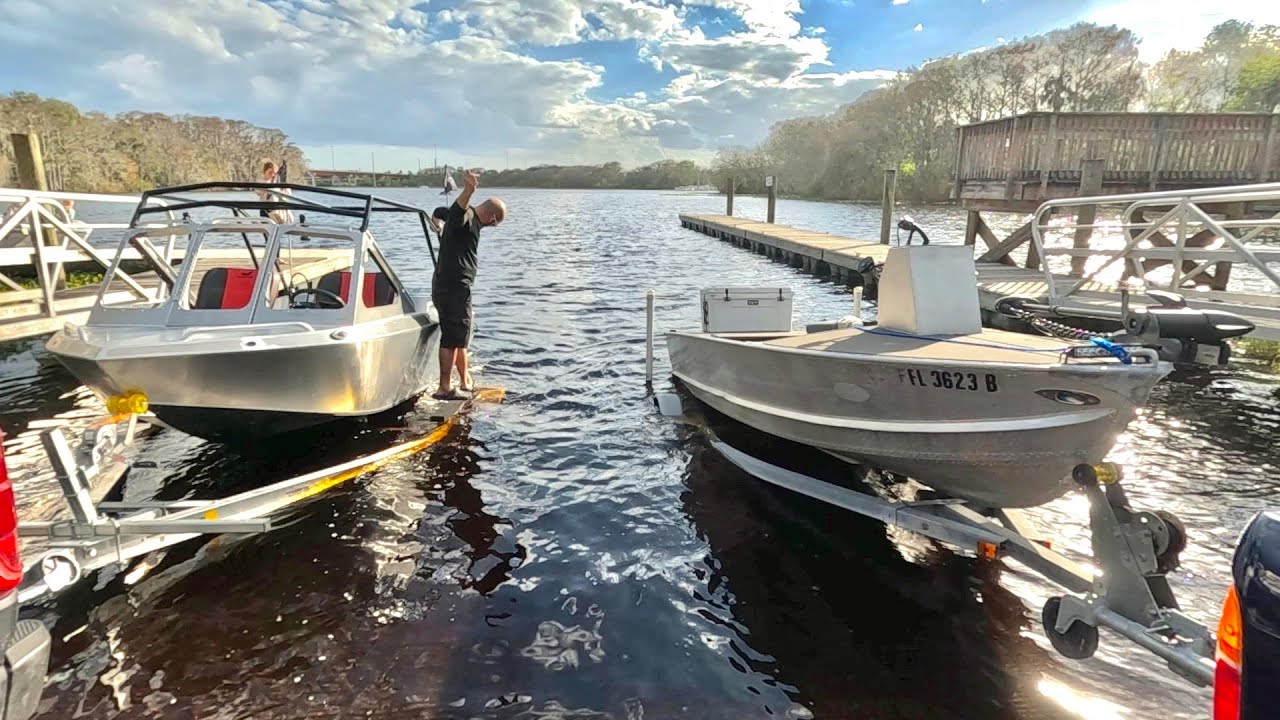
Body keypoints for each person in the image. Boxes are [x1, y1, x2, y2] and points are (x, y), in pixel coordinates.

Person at [431, 170, 507, 400]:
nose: (495, 226)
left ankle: (464, 381)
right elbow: (457, 212)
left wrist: (435, 221)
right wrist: (468, 191)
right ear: (493, 219)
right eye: (497, 222)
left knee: (461, 335)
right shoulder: (466, 219)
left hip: (454, 287)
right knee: (451, 338)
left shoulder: (466, 220)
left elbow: (441, 212)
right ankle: (445, 388)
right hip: (453, 288)